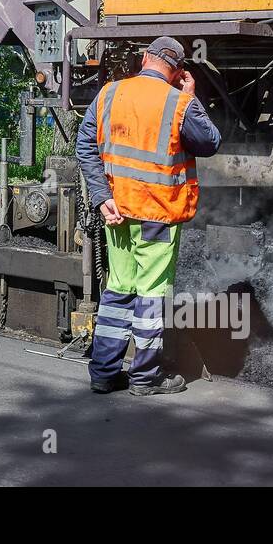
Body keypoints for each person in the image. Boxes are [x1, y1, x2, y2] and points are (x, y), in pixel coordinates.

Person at [75, 36, 222, 396]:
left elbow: (84, 146)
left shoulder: (109, 94)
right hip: (157, 213)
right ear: (177, 72)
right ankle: (144, 378)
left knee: (119, 289)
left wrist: (100, 196)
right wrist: (189, 96)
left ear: (144, 59)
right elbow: (210, 142)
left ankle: (104, 374)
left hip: (117, 212)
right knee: (152, 295)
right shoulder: (178, 104)